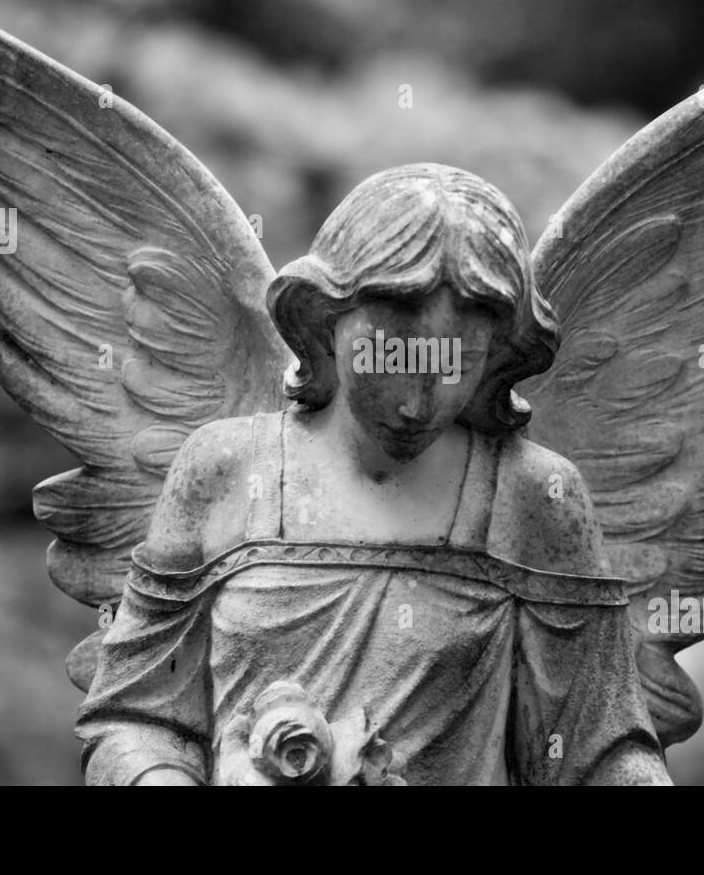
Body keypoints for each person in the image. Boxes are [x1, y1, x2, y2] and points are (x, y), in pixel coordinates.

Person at [75, 163, 671, 785]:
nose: (416, 405)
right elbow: (134, 718)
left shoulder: (534, 496)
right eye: (387, 360)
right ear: (325, 319)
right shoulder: (225, 470)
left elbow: (598, 753)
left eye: (454, 368)